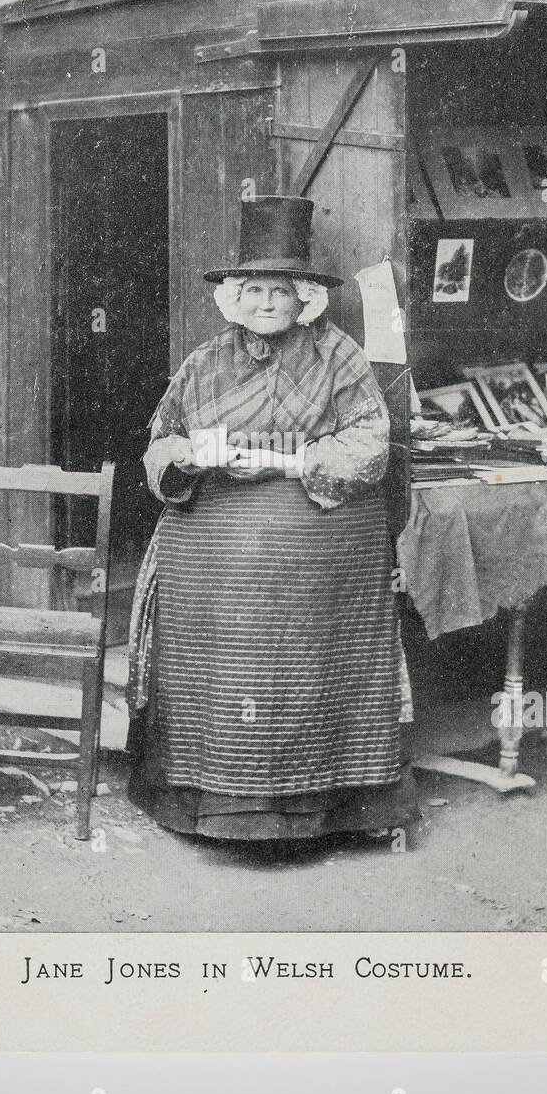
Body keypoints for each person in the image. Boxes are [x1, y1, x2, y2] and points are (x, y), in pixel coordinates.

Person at [126, 194, 417, 842]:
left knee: (293, 640)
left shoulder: (337, 357)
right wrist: (188, 454)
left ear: (303, 297)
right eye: (253, 289)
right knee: (218, 633)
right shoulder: (204, 364)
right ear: (234, 296)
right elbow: (160, 446)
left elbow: (370, 444)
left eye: (278, 292)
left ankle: (325, 807)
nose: (265, 303)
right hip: (213, 552)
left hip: (316, 545)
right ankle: (213, 803)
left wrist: (289, 461)